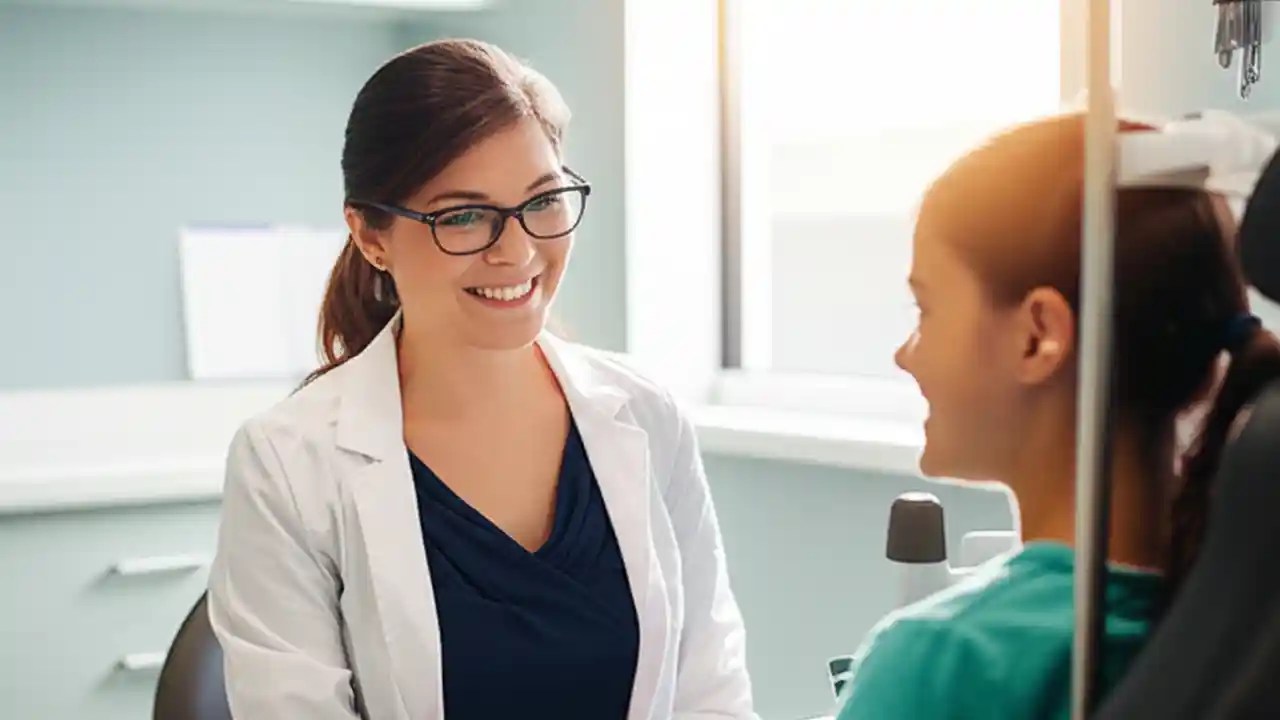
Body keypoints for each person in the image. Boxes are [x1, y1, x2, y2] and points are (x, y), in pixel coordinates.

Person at [207, 38, 755, 720]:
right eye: (463, 216)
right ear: (371, 236)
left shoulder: (646, 415)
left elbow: (710, 691)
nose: (518, 250)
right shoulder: (286, 462)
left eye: (544, 200)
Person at [835, 113, 1280, 719]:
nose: (906, 354)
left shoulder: (944, 662)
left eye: (926, 310)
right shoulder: (1234, 628)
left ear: (1037, 336)